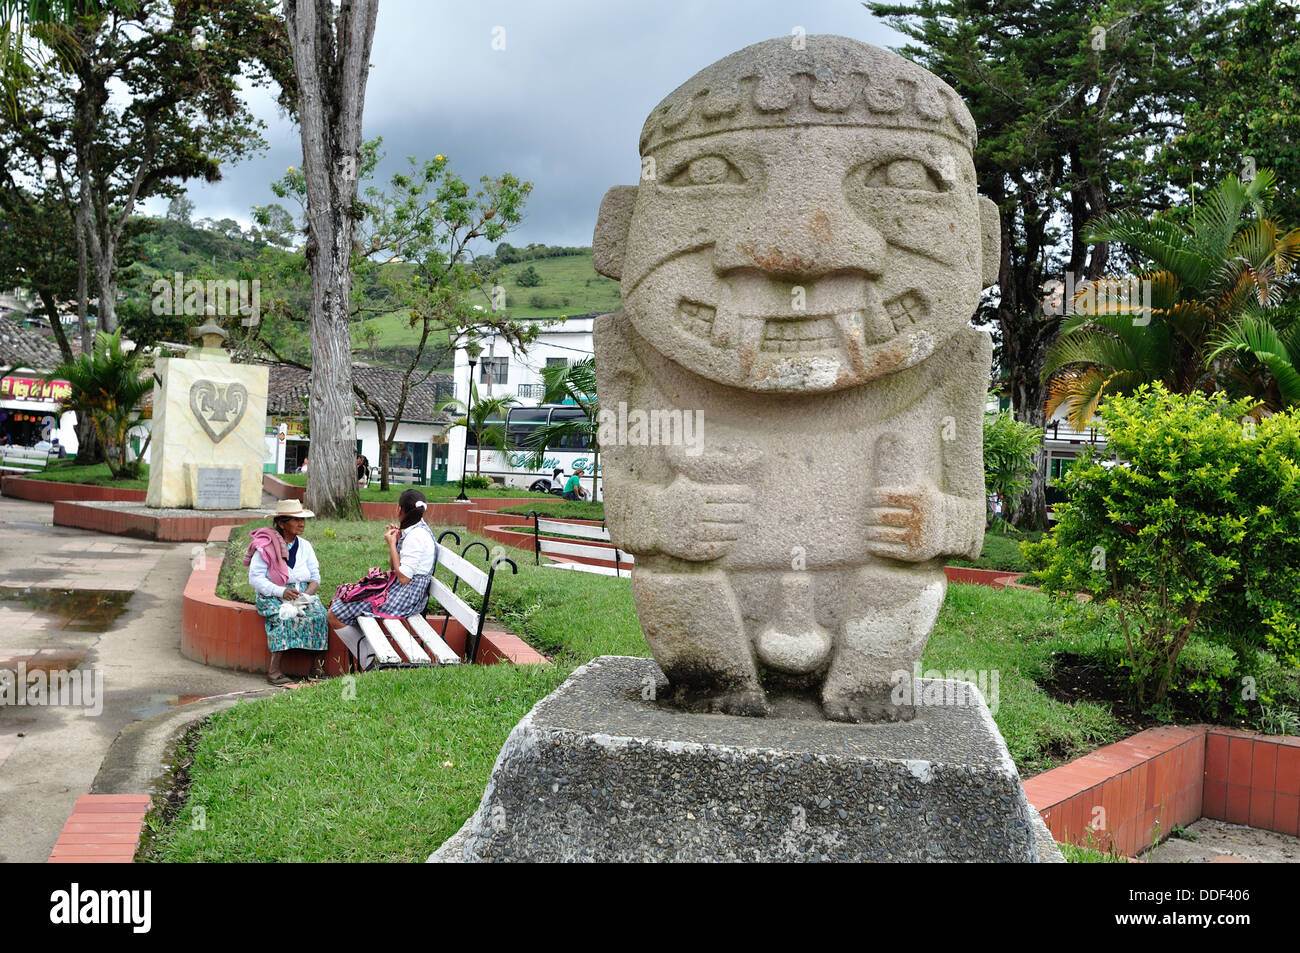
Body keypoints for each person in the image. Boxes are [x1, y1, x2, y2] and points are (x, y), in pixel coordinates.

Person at [327, 488, 438, 670]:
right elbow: (396, 568)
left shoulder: (417, 536)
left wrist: (393, 544)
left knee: (335, 613)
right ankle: (370, 655)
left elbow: (403, 577)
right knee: (344, 600)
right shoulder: (415, 530)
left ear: (399, 510)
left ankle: (369, 661)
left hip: (406, 597)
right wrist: (396, 542)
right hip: (403, 591)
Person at [245, 500, 328, 685]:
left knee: (320, 616)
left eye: (303, 519)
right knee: (283, 616)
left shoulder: (305, 546)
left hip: (302, 595)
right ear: (282, 523)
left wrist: (305, 597)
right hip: (272, 595)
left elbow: (315, 577)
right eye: (295, 519)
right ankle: (274, 671)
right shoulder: (265, 547)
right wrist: (281, 592)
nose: (302, 524)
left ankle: (316, 669)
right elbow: (256, 579)